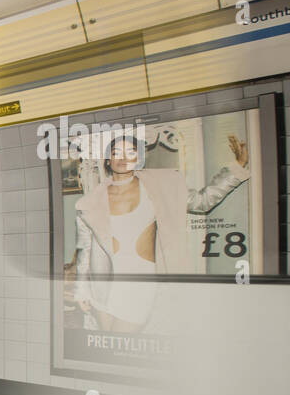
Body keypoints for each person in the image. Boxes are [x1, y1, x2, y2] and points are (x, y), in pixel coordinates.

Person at [73, 134, 250, 333]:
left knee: (119, 342)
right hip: (103, 285)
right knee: (109, 347)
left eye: (130, 152)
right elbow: (84, 251)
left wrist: (237, 168)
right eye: (116, 153)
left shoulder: (160, 186)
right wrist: (81, 291)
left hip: (141, 282)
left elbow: (202, 201)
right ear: (108, 159)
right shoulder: (89, 202)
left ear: (138, 158)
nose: (123, 158)